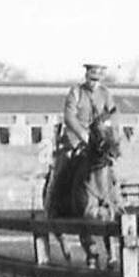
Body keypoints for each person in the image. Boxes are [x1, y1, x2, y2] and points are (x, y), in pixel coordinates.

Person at [45, 63, 116, 211]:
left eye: (97, 79)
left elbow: (113, 114)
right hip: (75, 139)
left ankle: (115, 201)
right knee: (63, 165)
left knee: (109, 167)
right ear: (86, 76)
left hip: (97, 140)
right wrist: (83, 135)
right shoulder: (76, 92)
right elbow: (69, 117)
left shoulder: (105, 93)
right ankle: (53, 204)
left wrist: (106, 131)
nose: (94, 82)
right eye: (91, 78)